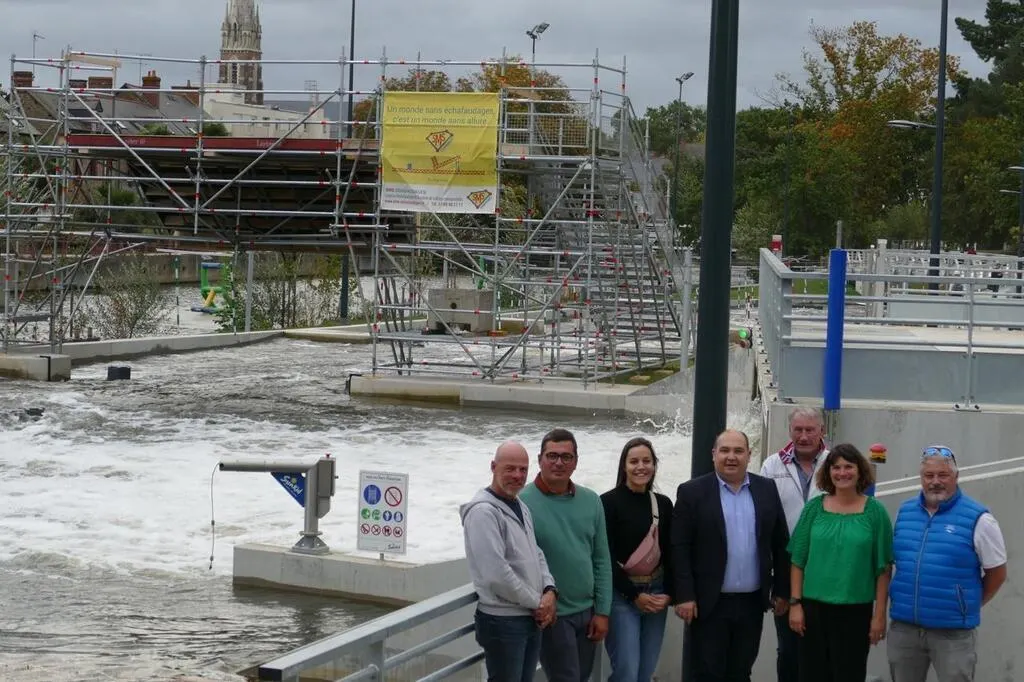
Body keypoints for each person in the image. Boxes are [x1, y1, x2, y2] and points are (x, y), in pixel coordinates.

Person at [671, 429, 790, 682]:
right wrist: (684, 595)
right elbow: (679, 547)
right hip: (707, 604)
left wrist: (782, 590)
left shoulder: (766, 489)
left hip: (752, 603)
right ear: (714, 455)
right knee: (706, 673)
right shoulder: (692, 492)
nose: (731, 457)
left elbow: (780, 543)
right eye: (724, 450)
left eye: (738, 451)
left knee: (741, 672)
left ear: (749, 455)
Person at [887, 445, 1008, 682]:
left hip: (953, 634)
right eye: (928, 476)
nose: (935, 482)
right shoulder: (905, 511)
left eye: (943, 475)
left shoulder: (979, 518)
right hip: (905, 629)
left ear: (956, 476)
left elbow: (997, 573)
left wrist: (966, 604)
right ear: (920, 478)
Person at [787, 443, 893, 682]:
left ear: (860, 471)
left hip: (855, 611)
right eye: (836, 467)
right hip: (813, 611)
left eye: (848, 466)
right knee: (811, 675)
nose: (842, 472)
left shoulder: (875, 512)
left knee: (849, 675)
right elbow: (797, 560)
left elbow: (883, 569)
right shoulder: (814, 508)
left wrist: (879, 615)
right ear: (828, 472)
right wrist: (795, 605)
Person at [520, 428, 613, 682]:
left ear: (576, 461)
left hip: (588, 612)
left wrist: (602, 612)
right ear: (539, 459)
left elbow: (601, 559)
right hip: (552, 616)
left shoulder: (591, 501)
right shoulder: (522, 503)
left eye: (566, 457)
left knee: (582, 678)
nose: (559, 462)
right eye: (552, 456)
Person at [460, 441, 558, 682]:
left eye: (523, 469)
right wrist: (538, 603)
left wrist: (549, 589)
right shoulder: (483, 512)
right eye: (510, 468)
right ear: (493, 467)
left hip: (528, 616)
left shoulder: (520, 505)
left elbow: (536, 552)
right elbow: (496, 574)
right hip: (503, 621)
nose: (517, 475)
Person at [759, 407, 829, 682]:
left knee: (821, 649)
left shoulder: (836, 463)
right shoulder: (772, 465)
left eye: (810, 430)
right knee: (788, 649)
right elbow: (765, 523)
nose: (803, 436)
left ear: (822, 431)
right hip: (786, 570)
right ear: (790, 431)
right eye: (798, 430)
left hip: (826, 570)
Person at [601, 437, 674, 682]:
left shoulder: (663, 504)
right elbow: (605, 557)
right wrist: (634, 595)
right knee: (626, 673)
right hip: (621, 596)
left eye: (647, 461)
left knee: (645, 673)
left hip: (656, 592)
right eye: (634, 461)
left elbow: (671, 552)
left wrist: (670, 593)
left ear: (654, 465)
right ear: (624, 466)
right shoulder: (607, 502)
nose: (640, 466)